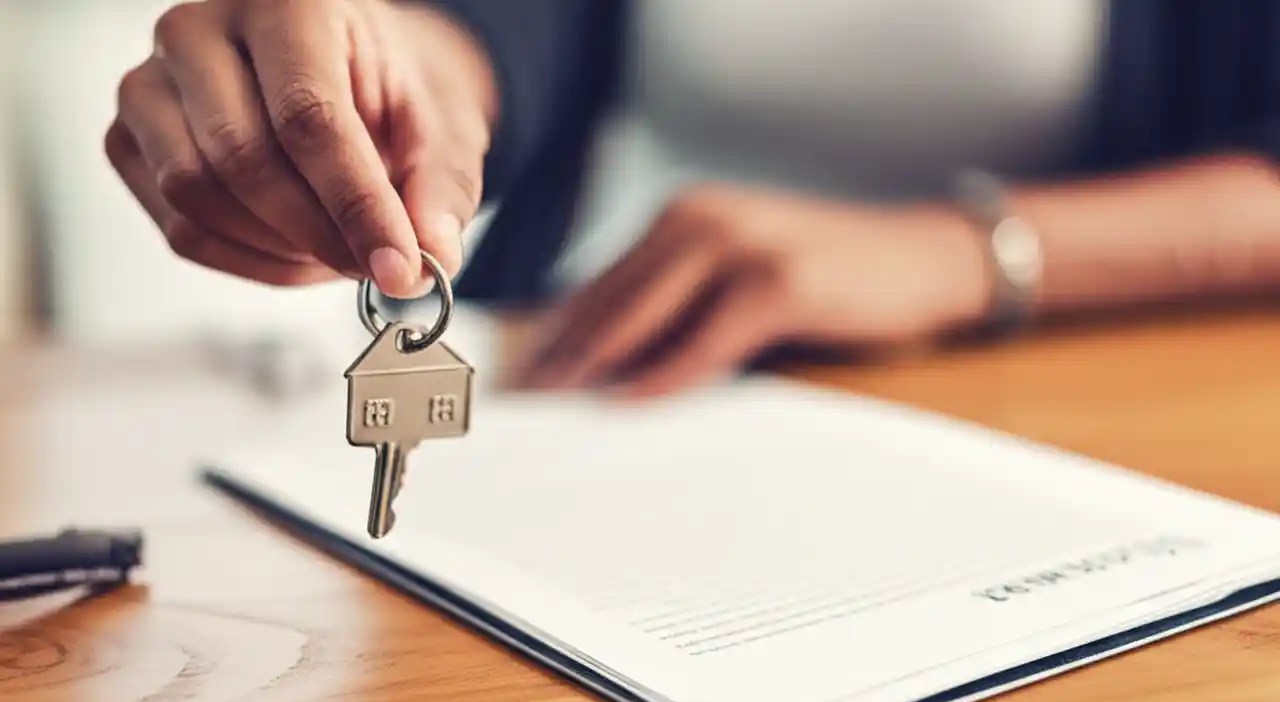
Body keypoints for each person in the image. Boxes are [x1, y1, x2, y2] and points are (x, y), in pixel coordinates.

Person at [107, 0, 1280, 398]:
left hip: (1071, 384)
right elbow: (493, 35)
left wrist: (961, 253)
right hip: (588, 363)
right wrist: (400, 68)